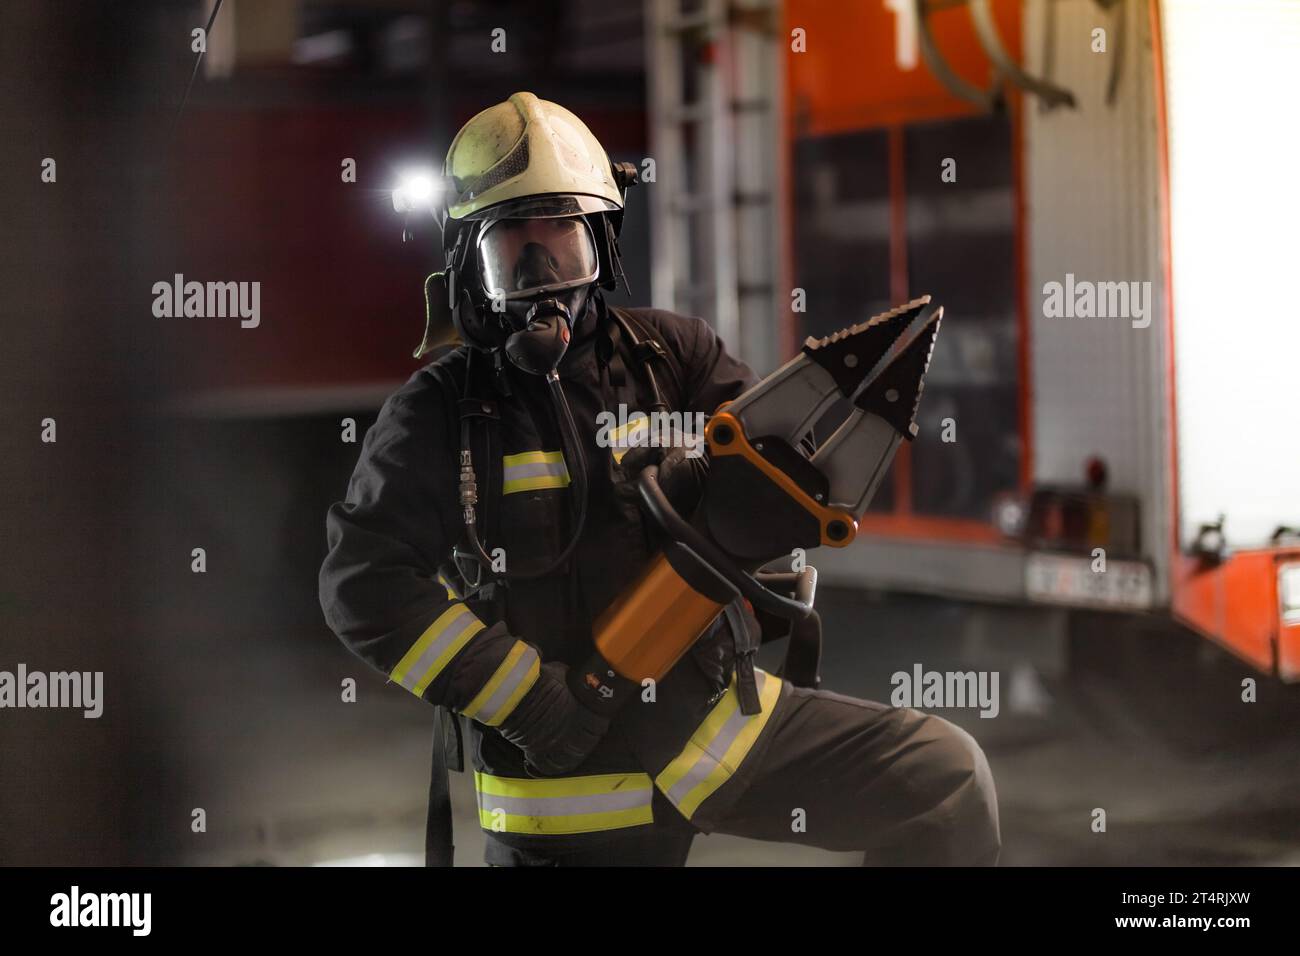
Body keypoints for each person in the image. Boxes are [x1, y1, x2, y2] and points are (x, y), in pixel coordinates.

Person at [319, 92, 999, 866]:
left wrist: (759, 517)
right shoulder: (440, 414)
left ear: (603, 246)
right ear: (469, 268)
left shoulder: (674, 356)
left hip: (711, 736)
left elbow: (776, 485)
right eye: (512, 243)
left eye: (561, 236)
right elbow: (362, 586)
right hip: (562, 793)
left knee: (943, 781)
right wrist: (527, 701)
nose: (541, 271)